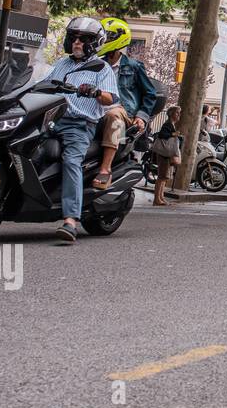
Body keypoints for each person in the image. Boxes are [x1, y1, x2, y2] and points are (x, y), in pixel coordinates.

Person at [44, 17, 119, 242]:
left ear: (95, 43)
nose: (77, 43)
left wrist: (95, 92)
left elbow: (110, 98)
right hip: (50, 120)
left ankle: (70, 221)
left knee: (71, 161)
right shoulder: (61, 64)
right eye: (74, 38)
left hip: (78, 125)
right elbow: (44, 84)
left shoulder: (101, 68)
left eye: (83, 39)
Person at [92, 17, 159, 190]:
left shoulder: (134, 66)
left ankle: (105, 169)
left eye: (108, 37)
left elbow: (150, 94)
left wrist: (142, 116)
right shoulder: (97, 65)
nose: (104, 40)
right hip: (97, 110)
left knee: (113, 115)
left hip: (124, 112)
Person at [152, 105, 182, 206]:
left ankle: (161, 197)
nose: (179, 115)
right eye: (177, 113)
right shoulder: (167, 124)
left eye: (179, 113)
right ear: (171, 114)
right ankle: (157, 199)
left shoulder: (171, 124)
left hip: (166, 155)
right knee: (161, 177)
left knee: (164, 178)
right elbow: (162, 135)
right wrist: (173, 134)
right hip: (164, 154)